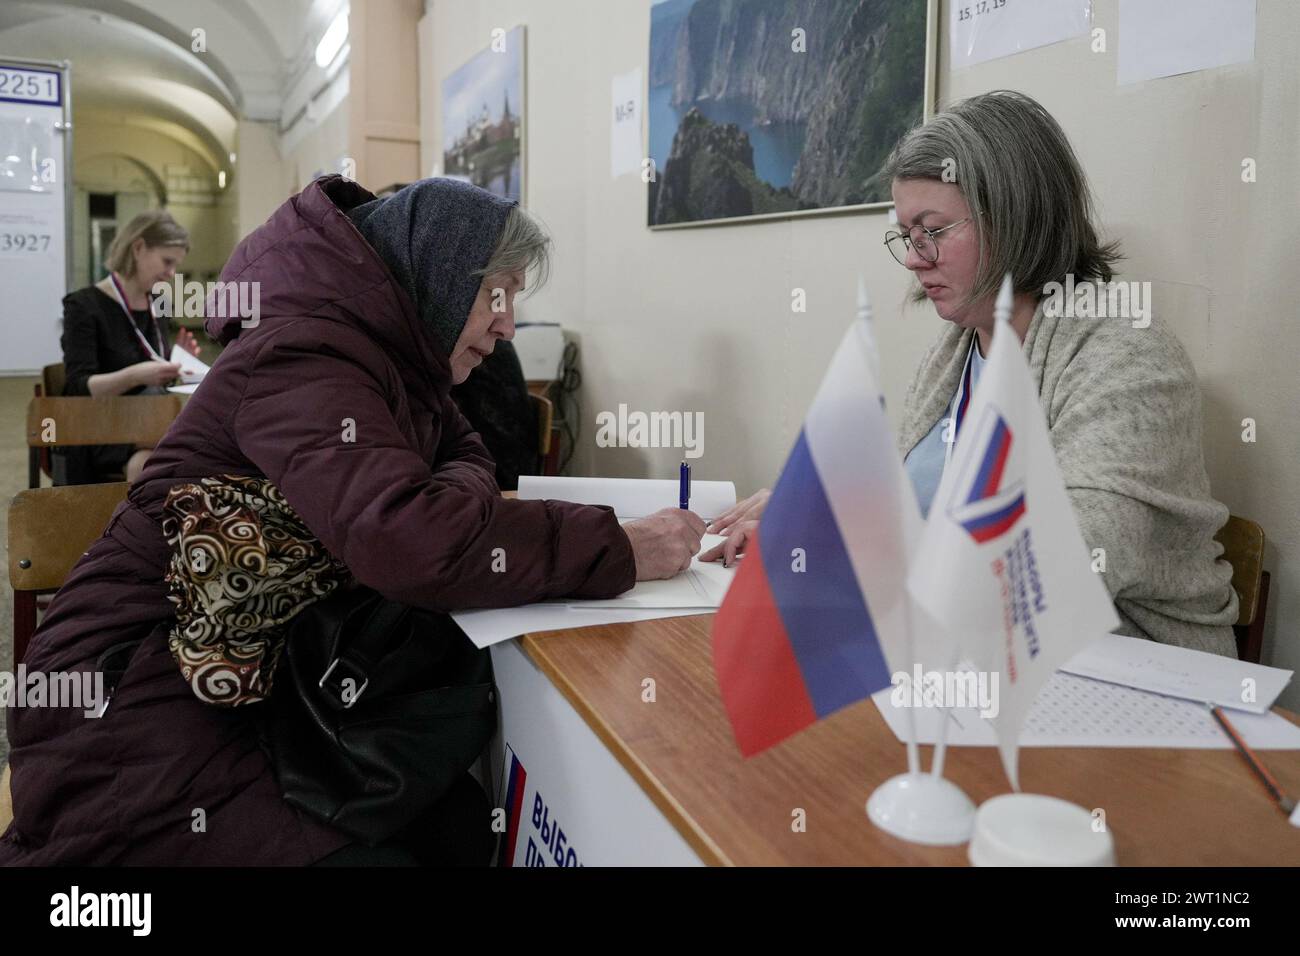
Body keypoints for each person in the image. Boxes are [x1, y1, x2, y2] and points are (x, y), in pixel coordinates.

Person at [2, 175, 705, 866]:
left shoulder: (393, 357)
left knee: (462, 824)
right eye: (498, 294)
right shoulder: (306, 352)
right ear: (439, 275)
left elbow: (467, 459)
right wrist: (618, 545)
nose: (506, 324)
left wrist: (441, 496)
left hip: (266, 669)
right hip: (141, 695)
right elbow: (409, 539)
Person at [703, 90, 1238, 657]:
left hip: (1133, 688)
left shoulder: (1129, 353)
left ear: (1014, 215)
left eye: (931, 231)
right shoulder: (956, 348)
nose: (914, 258)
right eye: (907, 236)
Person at [57, 210, 202, 484]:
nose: (171, 274)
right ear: (138, 248)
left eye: (175, 266)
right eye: (167, 262)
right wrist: (137, 375)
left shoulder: (159, 304)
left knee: (200, 449)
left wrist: (177, 363)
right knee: (154, 461)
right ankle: (139, 525)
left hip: (151, 418)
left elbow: (150, 358)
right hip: (101, 427)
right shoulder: (84, 306)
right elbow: (79, 387)